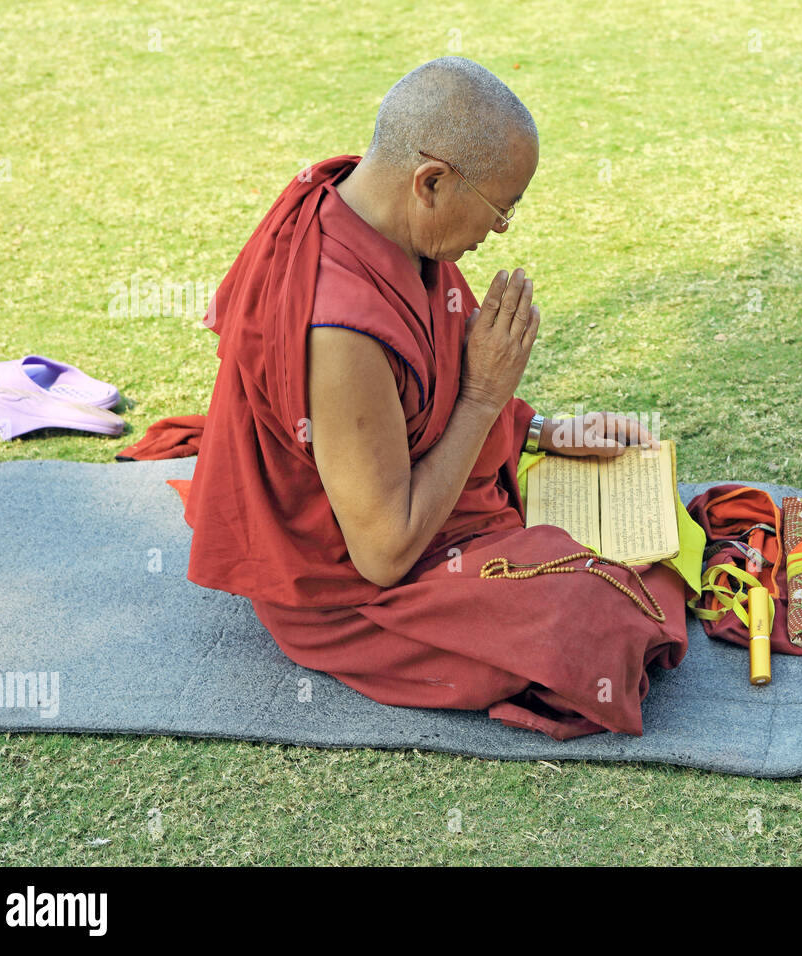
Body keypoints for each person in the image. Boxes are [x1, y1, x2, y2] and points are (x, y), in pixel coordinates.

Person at [182, 57, 693, 739]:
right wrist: (486, 399)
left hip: (427, 516)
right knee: (599, 628)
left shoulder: (385, 220)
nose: (504, 230)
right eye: (502, 206)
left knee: (649, 542)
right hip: (360, 593)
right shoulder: (339, 329)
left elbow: (434, 380)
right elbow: (384, 554)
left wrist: (538, 429)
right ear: (430, 181)